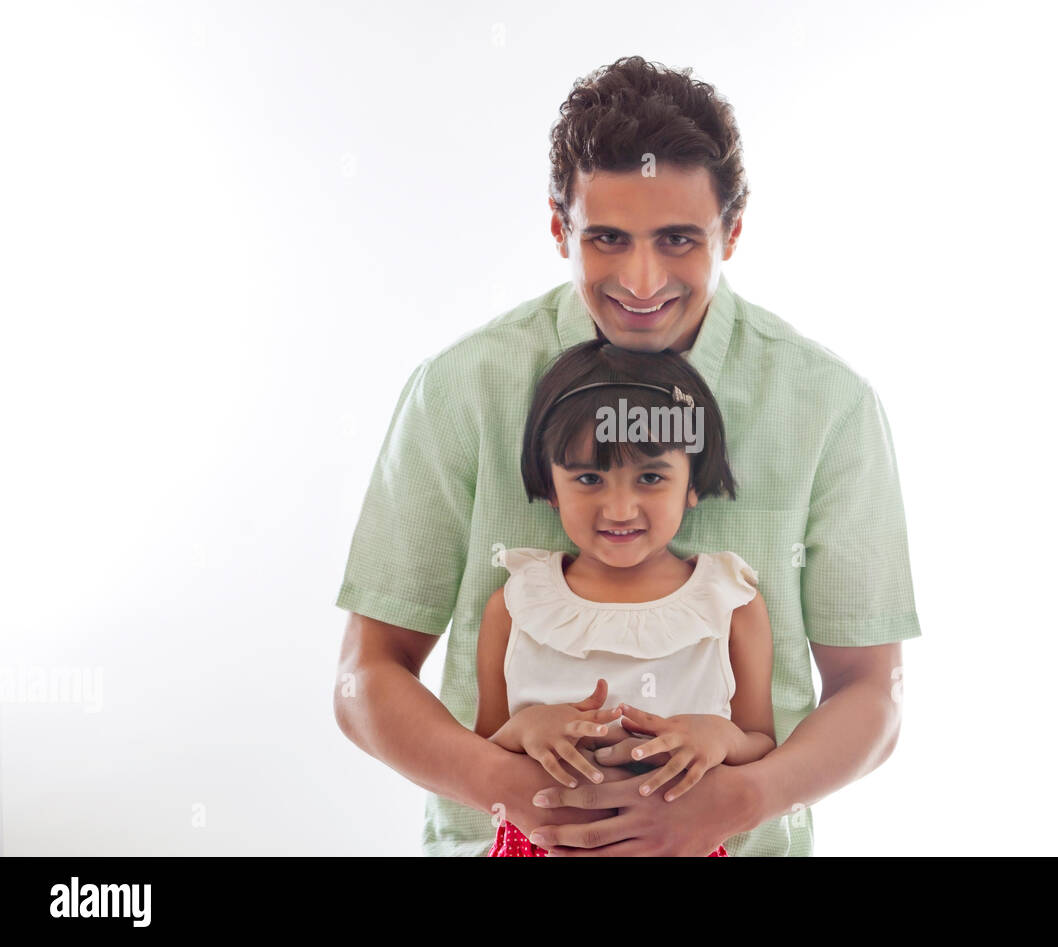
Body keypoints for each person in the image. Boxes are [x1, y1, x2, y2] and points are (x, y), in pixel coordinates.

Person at [333, 55, 923, 856]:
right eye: (606, 239)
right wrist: (507, 788)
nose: (641, 281)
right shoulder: (459, 389)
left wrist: (741, 797)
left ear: (733, 231)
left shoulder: (830, 406)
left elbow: (872, 693)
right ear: (557, 228)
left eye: (679, 239)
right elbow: (367, 675)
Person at [476, 341, 777, 856]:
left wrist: (719, 738)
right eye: (589, 478)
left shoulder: (731, 605)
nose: (619, 509)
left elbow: (760, 741)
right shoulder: (515, 605)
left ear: (692, 482)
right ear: (550, 485)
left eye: (651, 478)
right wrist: (526, 727)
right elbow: (483, 745)